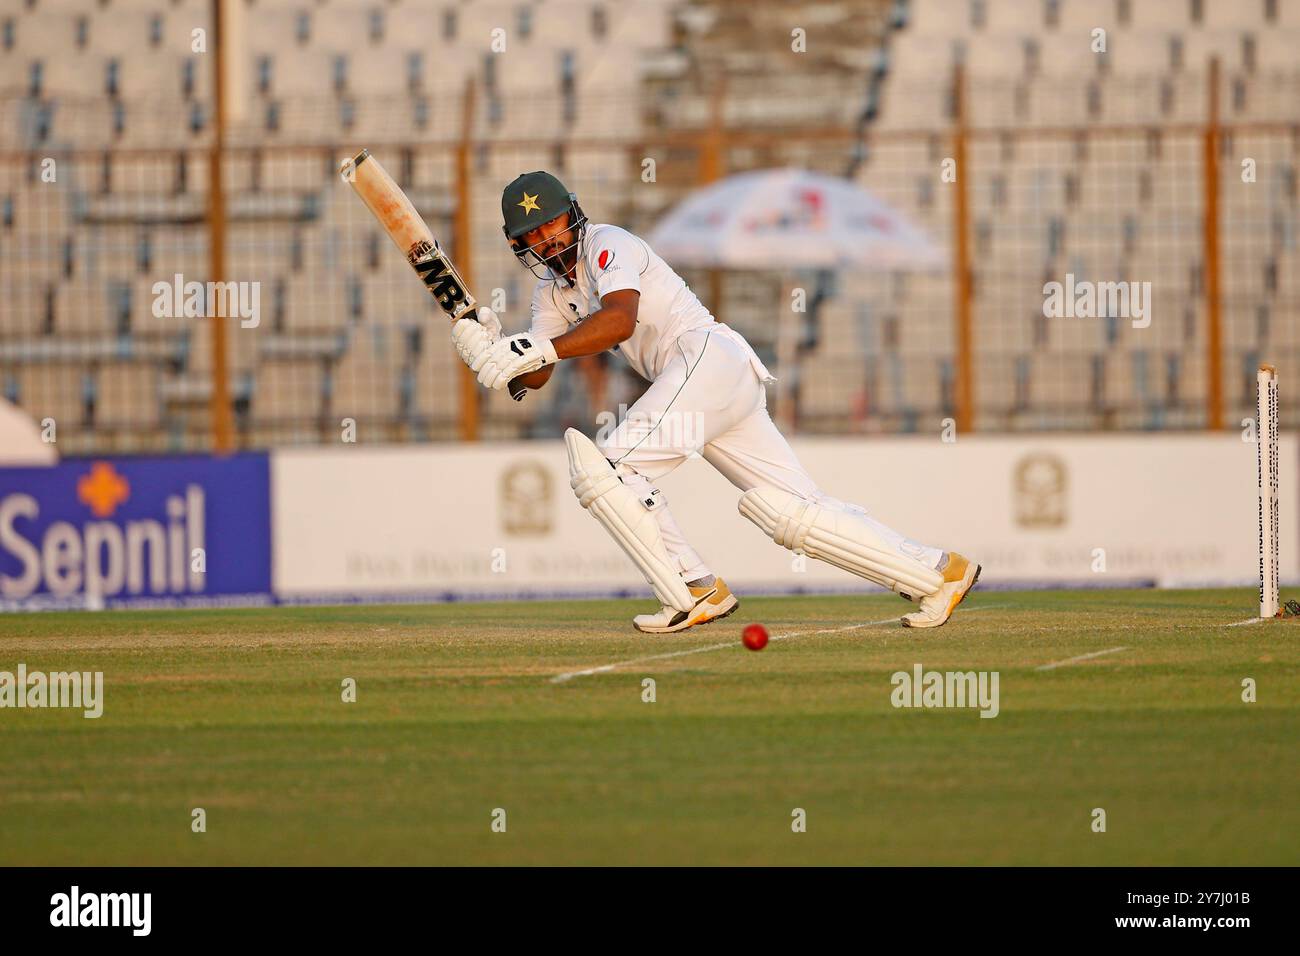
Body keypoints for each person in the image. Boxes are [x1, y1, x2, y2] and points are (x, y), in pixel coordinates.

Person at [452, 171, 980, 633]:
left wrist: (535, 348)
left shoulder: (608, 244)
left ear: (572, 214)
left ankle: (695, 586)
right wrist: (497, 350)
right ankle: (939, 571)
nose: (546, 239)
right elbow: (538, 374)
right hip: (707, 384)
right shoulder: (550, 293)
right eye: (532, 234)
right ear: (518, 243)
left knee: (610, 470)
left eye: (551, 224)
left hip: (706, 359)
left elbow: (618, 319)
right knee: (792, 513)